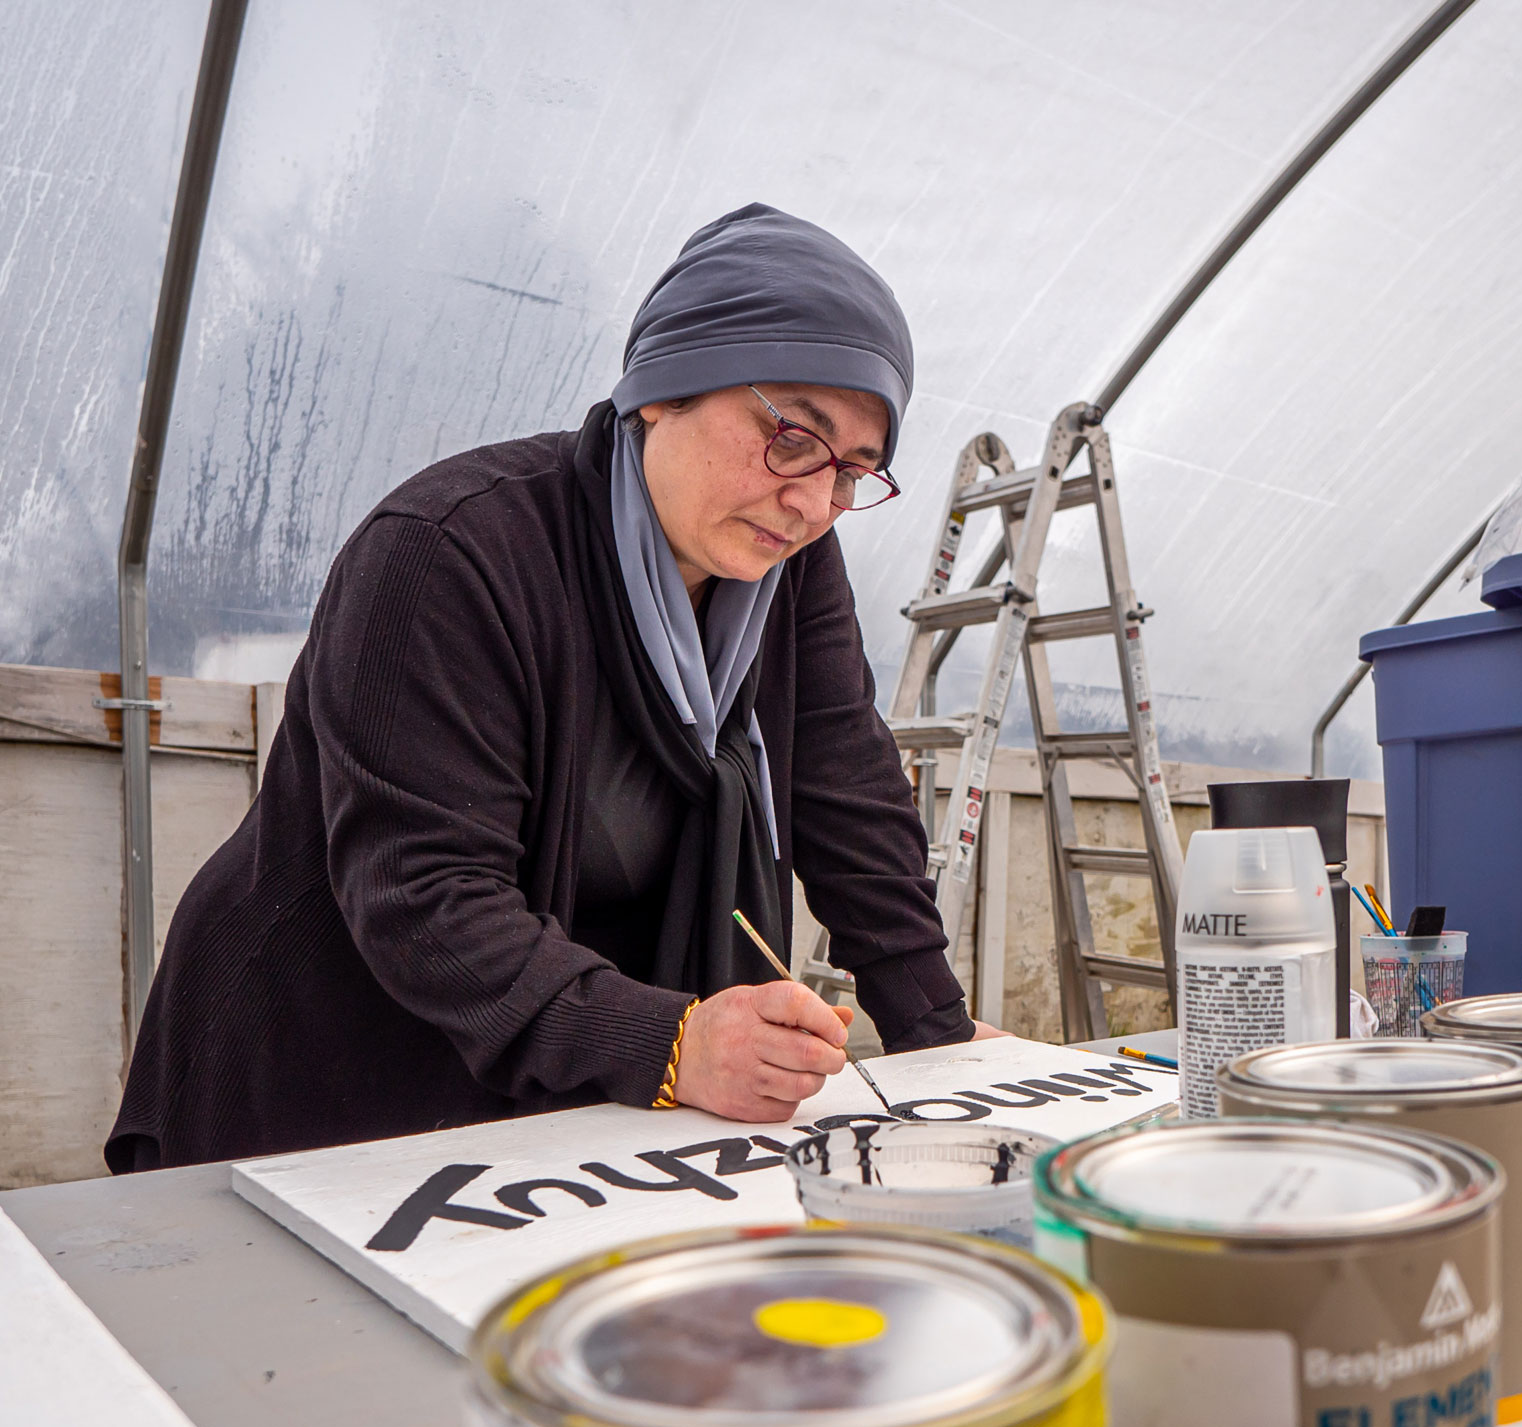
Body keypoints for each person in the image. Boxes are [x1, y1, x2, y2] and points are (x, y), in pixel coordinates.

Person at [106, 205, 981, 1174]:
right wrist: (671, 1044)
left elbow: (846, 793)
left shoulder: (787, 572)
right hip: (326, 1072)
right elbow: (424, 895)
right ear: (663, 390)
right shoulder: (447, 552)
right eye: (791, 439)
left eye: (854, 472)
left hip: (554, 1083)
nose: (815, 502)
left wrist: (935, 1035)